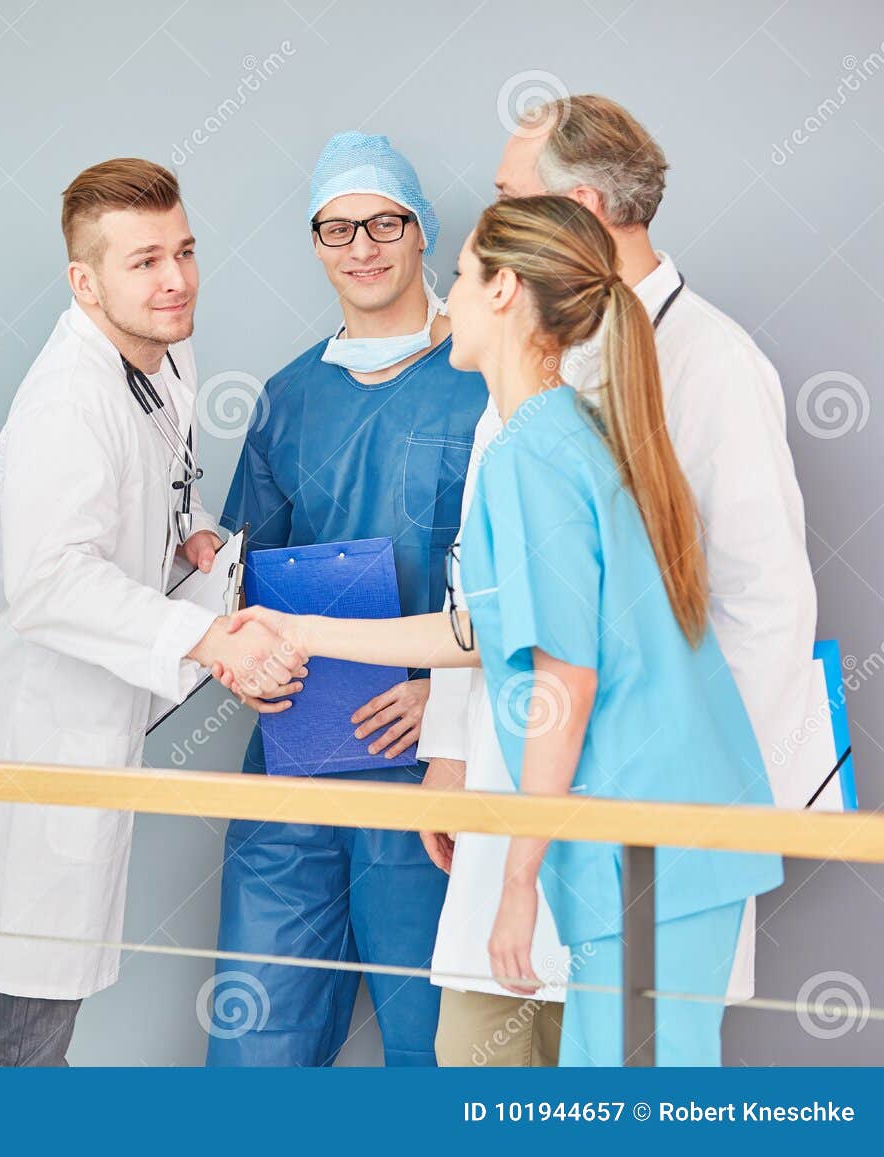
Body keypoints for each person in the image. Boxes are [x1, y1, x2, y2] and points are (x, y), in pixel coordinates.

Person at [215, 194, 786, 1067]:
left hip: (637, 842)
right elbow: (476, 630)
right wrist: (299, 626)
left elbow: (564, 680)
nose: (448, 299)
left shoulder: (533, 456)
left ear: (506, 291)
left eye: (458, 277)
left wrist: (518, 879)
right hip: (657, 833)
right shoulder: (563, 431)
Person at [414, 94, 819, 1066]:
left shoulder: (713, 365)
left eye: (512, 196)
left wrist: (695, 822)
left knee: (627, 1084)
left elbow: (765, 607)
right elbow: (481, 584)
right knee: (487, 1070)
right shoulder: (519, 362)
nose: (493, 218)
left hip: (648, 826)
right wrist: (450, 745)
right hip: (526, 791)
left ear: (582, 205)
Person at [0, 158, 304, 1066]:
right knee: (15, 1037)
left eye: (183, 251)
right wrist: (209, 635)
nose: (174, 279)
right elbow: (52, 581)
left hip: (86, 735)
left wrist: (197, 538)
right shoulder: (71, 397)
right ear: (84, 281)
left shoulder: (161, 357)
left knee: (27, 1027)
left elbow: (159, 495)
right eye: (143, 262)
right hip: (31, 745)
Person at [205, 132, 486, 1068]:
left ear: (422, 231)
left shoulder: (488, 384)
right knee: (259, 1038)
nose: (360, 246)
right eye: (336, 228)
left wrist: (444, 704)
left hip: (426, 756)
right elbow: (256, 575)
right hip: (300, 749)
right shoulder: (288, 398)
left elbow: (516, 590)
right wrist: (241, 655)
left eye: (382, 222)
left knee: (435, 1038)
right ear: (317, 245)